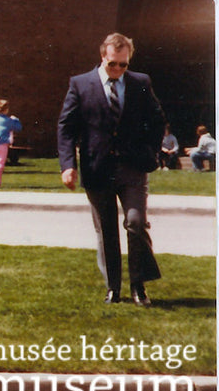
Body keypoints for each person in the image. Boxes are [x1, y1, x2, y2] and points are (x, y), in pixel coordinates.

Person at [57, 32, 165, 306]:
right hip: (97, 168)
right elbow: (66, 128)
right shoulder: (80, 84)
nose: (117, 69)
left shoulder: (141, 83)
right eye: (112, 63)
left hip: (133, 167)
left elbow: (157, 120)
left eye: (123, 64)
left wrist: (152, 153)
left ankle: (138, 286)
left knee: (136, 223)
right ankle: (113, 288)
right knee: (106, 230)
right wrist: (68, 165)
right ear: (102, 57)